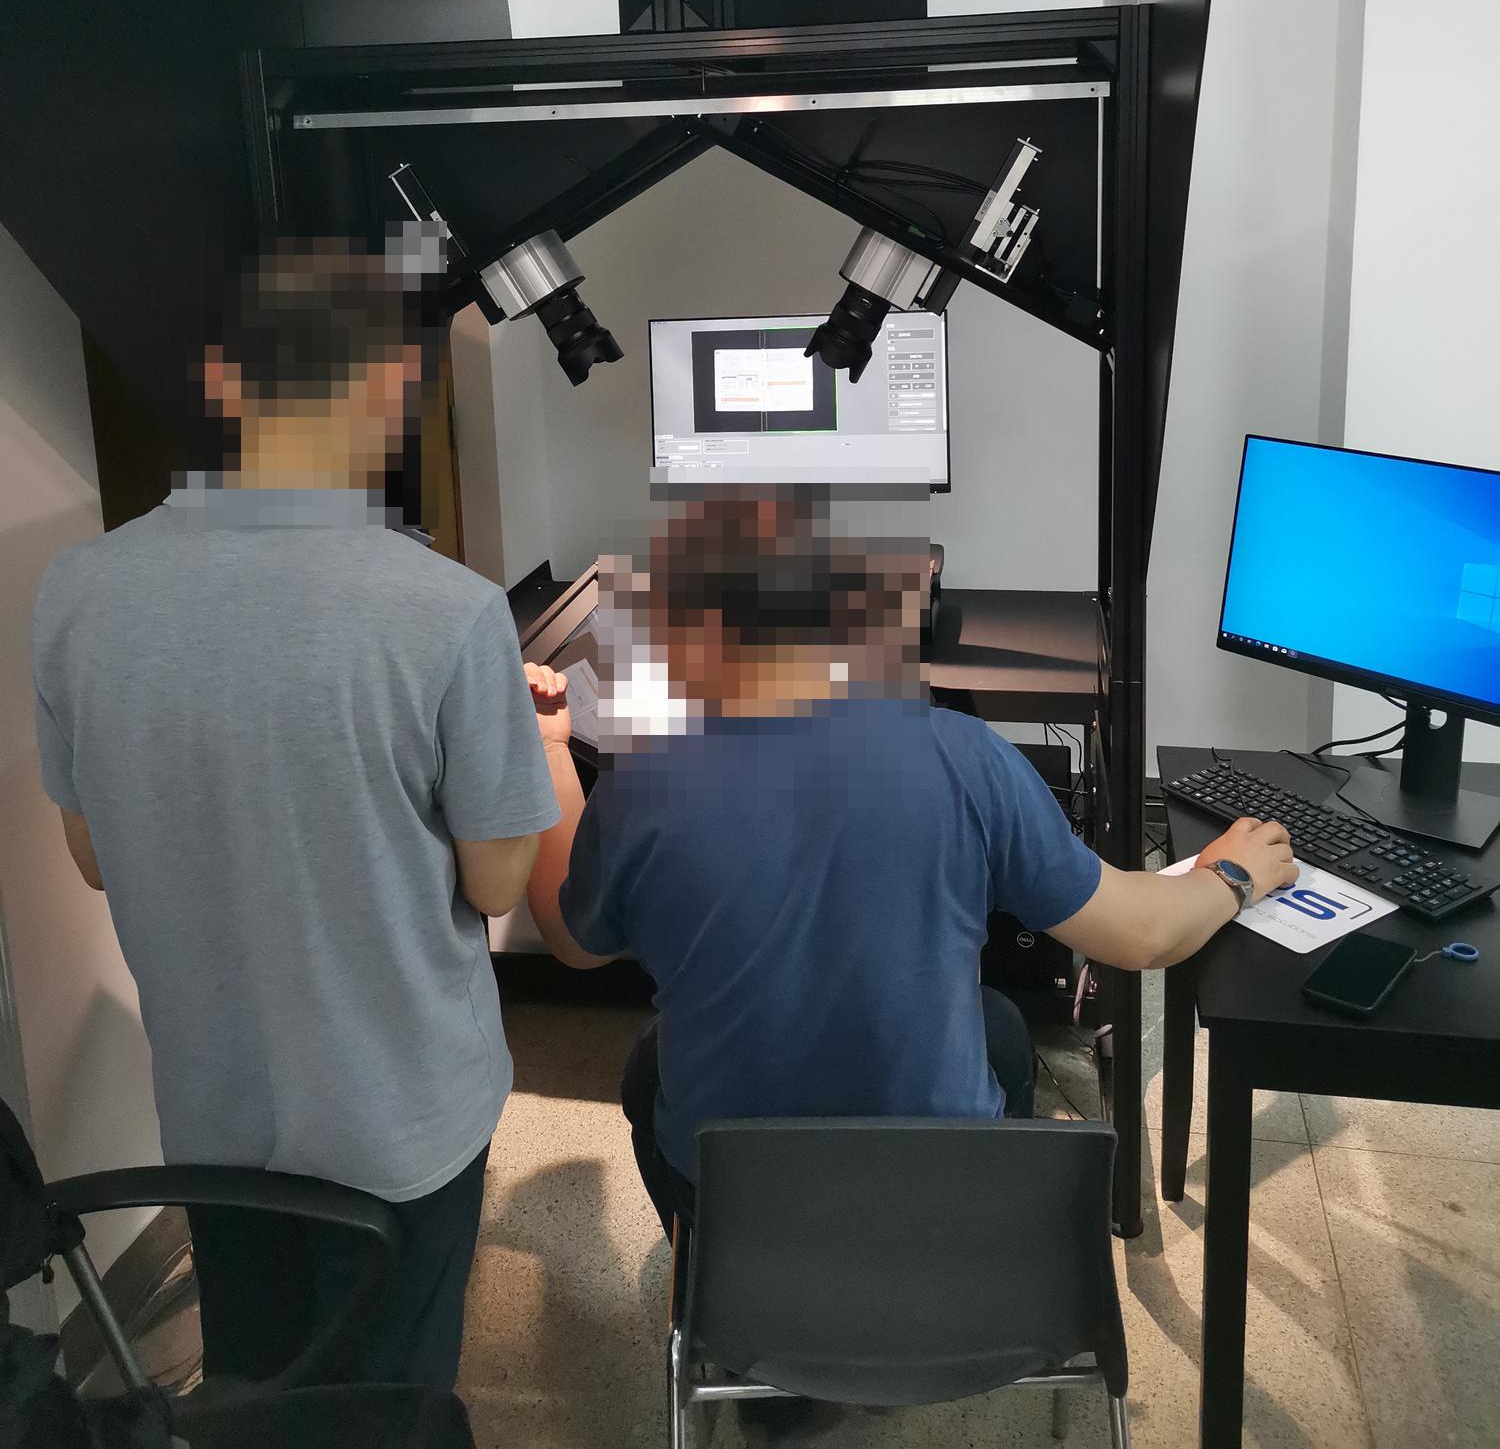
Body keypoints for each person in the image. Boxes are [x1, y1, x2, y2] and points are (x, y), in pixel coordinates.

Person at [32, 238, 561, 1391]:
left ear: (222, 381)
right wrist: (510, 745)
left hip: (213, 1108)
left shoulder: (76, 588)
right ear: (394, 389)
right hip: (402, 1115)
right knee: (392, 1394)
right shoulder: (448, 610)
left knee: (257, 1382)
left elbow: (93, 853)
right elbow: (495, 883)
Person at [525, 496, 1297, 1247]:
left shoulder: (642, 782)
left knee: (648, 1067)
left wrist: (553, 749)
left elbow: (571, 940)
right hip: (936, 1197)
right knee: (999, 1027)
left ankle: (713, 1273)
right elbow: (1143, 934)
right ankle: (980, 1239)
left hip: (743, 1201)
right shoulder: (965, 757)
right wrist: (1229, 874)